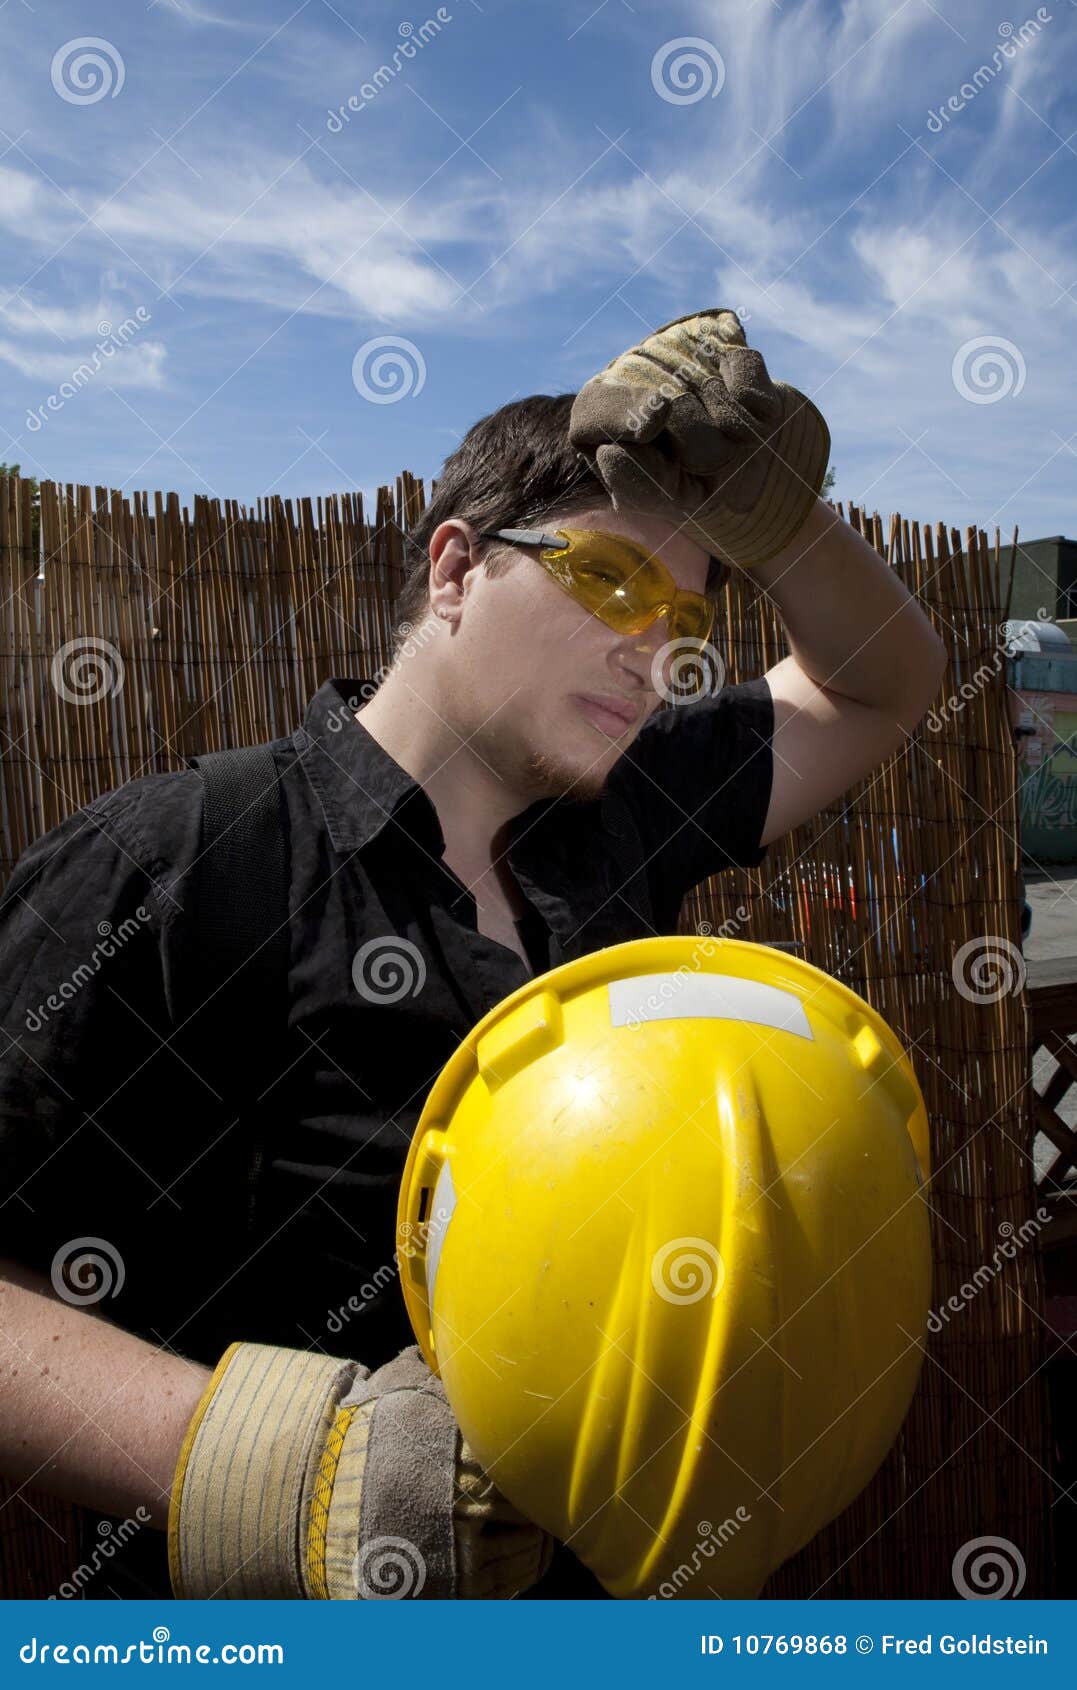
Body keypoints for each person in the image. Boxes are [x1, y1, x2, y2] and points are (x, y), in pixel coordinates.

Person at [0, 324, 948, 1599]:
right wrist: (292, 1462)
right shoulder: (187, 861)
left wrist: (781, 524)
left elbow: (885, 685)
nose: (656, 648)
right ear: (455, 568)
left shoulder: (630, 809)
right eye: (611, 581)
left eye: (682, 615)